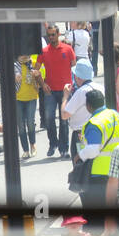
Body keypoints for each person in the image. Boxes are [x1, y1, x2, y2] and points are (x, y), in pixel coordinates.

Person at [74, 89, 119, 236]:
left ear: (88, 106)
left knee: (96, 217)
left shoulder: (94, 123)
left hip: (98, 174)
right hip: (116, 170)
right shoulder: (114, 114)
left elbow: (93, 150)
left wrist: (79, 155)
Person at [39, 23, 76, 158]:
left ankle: (64, 148)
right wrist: (43, 84)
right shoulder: (44, 51)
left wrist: (73, 86)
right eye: (49, 35)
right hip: (50, 91)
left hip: (65, 91)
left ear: (58, 34)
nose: (51, 37)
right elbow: (36, 70)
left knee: (64, 120)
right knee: (49, 118)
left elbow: (74, 67)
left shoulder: (68, 49)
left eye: (53, 35)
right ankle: (53, 143)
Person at [15, 53, 42, 158]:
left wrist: (37, 74)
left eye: (26, 54)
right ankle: (25, 150)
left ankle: (33, 145)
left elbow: (41, 79)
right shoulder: (14, 66)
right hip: (18, 98)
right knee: (21, 125)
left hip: (31, 97)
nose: (24, 56)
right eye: (21, 54)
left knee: (30, 122)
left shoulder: (33, 63)